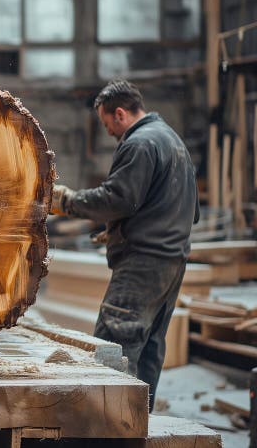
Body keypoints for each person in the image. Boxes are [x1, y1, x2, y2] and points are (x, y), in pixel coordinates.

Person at [51, 80, 199, 412]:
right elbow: (183, 210)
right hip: (172, 262)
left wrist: (68, 201)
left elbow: (118, 198)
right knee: (148, 349)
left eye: (108, 126)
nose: (110, 134)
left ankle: (108, 428)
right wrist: (120, 231)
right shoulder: (172, 141)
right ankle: (137, 423)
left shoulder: (140, 143)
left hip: (142, 264)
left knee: (113, 345)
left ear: (119, 114)